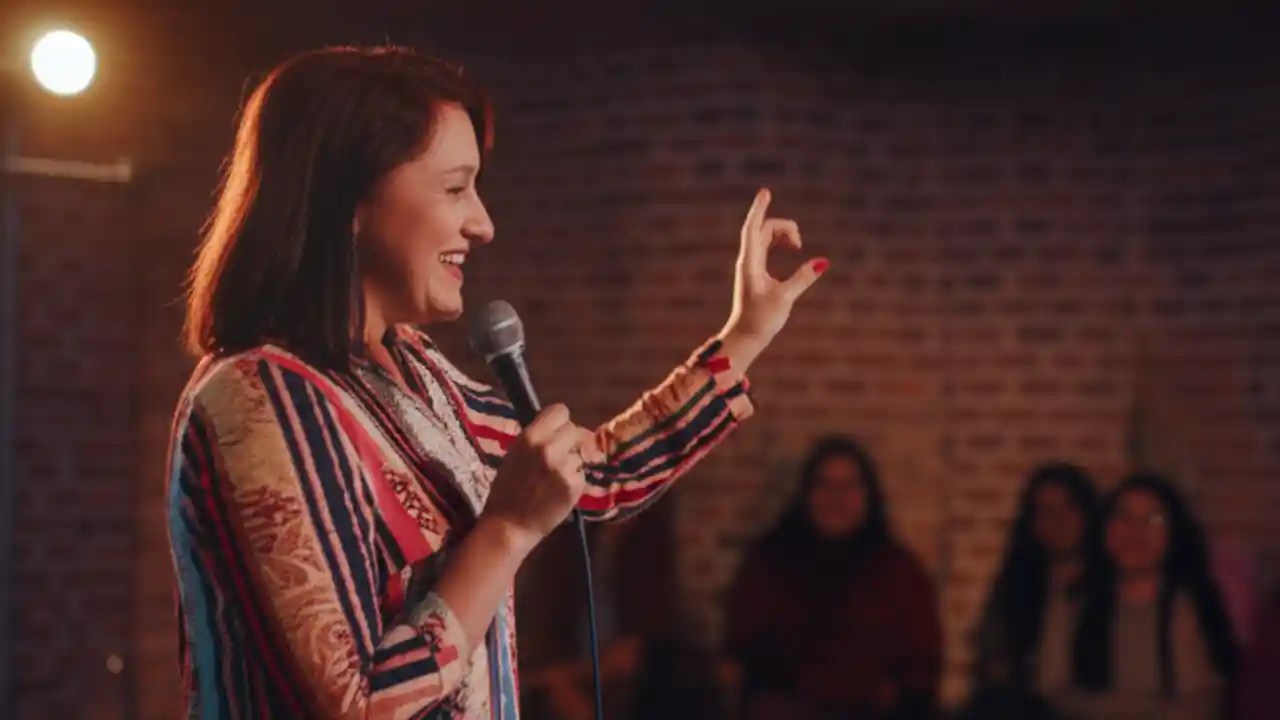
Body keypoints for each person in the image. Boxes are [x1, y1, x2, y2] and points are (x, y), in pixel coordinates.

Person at [165, 46, 827, 719]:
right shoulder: (260, 397)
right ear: (347, 199)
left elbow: (590, 474)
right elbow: (357, 706)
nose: (483, 224)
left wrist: (743, 336)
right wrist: (506, 530)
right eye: (455, 189)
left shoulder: (416, 374)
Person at [726, 436, 942, 720]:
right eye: (825, 485)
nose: (836, 498)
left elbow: (920, 662)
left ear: (867, 494)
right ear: (807, 492)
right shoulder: (770, 563)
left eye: (849, 486)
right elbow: (744, 645)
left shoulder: (898, 571)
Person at [1063, 474, 1239, 720]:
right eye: (1123, 517)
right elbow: (1059, 694)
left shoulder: (1191, 605)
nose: (1136, 531)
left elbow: (1201, 703)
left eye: (1153, 519)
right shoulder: (1076, 602)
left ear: (1173, 533)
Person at [966, 463, 1101, 719]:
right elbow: (993, 658)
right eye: (1046, 512)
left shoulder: (1110, 588)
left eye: (1068, 508)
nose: (1059, 522)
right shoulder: (1017, 587)